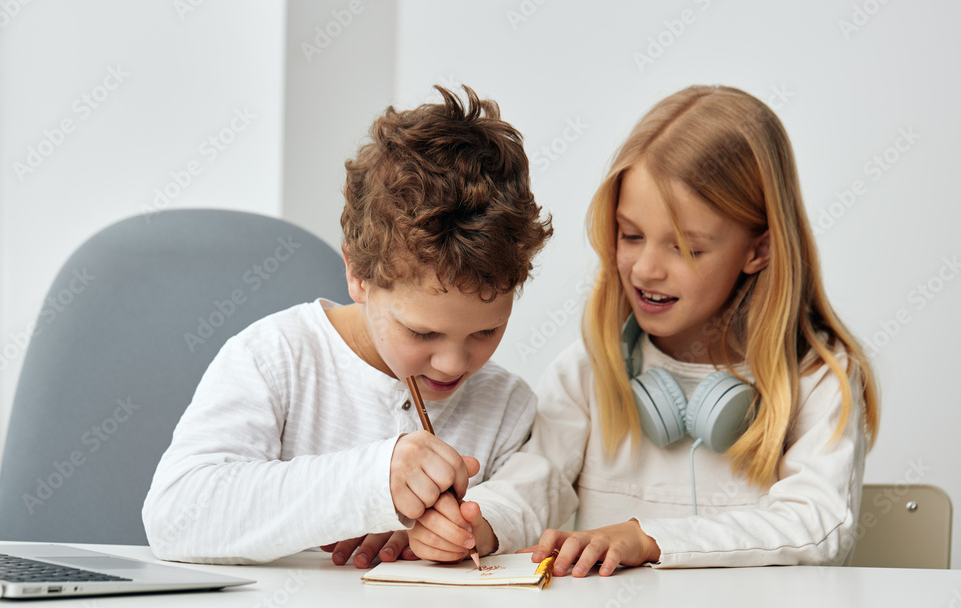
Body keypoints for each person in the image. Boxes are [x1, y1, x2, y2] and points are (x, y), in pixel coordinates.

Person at [407, 85, 880, 575]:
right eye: (631, 235)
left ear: (758, 250)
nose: (646, 269)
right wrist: (477, 525)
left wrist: (649, 539)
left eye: (686, 248)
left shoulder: (821, 382)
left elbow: (818, 525)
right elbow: (533, 485)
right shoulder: (588, 372)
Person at [141, 85, 552, 566]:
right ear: (358, 274)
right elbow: (176, 516)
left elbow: (539, 500)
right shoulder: (274, 359)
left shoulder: (507, 405)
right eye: (422, 333)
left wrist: (477, 527)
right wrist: (376, 479)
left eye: (486, 332)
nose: (454, 362)